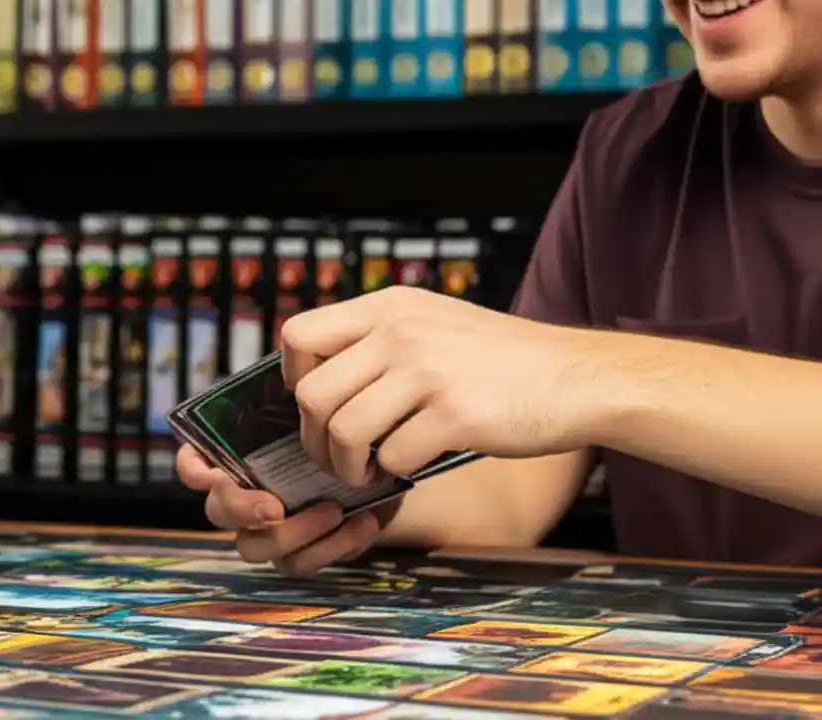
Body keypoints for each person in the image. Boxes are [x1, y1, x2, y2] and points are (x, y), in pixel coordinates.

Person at [179, 0, 822, 575]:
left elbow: (567, 383)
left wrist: (586, 374)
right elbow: (519, 488)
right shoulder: (628, 150)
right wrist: (352, 488)